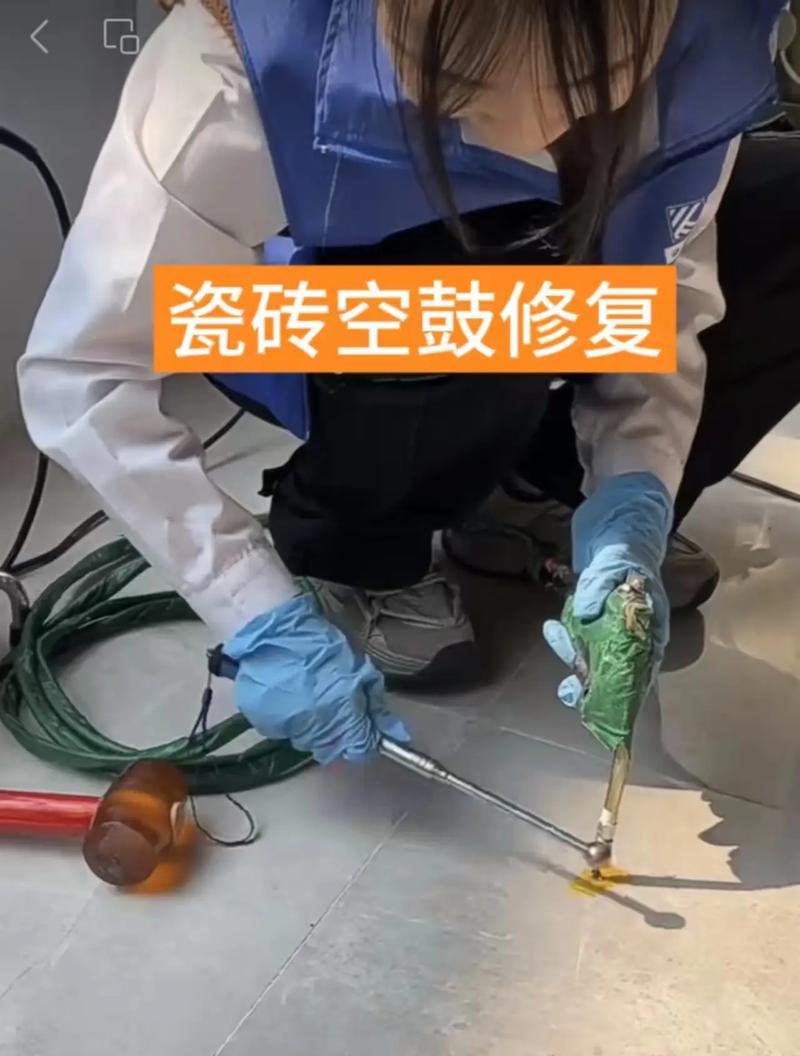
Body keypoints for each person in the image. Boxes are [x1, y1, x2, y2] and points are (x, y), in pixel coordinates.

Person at [18, 0, 800, 765]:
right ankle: (359, 545)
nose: (529, 127)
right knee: (492, 292)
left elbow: (662, 286)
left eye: (593, 77)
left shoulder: (708, 29)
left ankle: (538, 497)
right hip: (300, 318)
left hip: (535, 304)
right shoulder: (234, 61)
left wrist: (634, 494)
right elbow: (83, 367)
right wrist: (249, 603)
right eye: (457, 77)